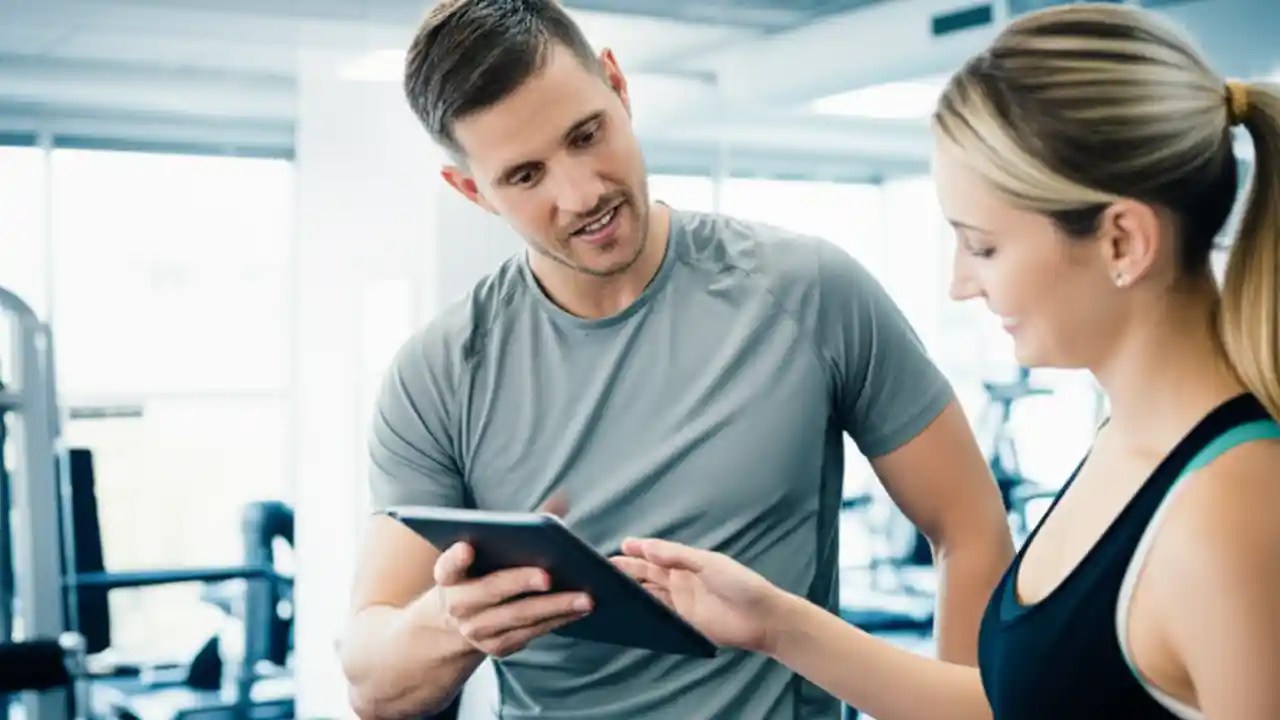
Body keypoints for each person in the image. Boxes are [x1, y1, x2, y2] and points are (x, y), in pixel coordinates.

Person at [337, 0, 1016, 717]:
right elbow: (372, 682)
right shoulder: (438, 375)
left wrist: (963, 707)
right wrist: (450, 620)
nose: (582, 193)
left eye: (586, 134)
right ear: (473, 191)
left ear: (617, 86)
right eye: (525, 177)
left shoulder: (809, 292)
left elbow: (969, 526)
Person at [613, 3, 1280, 719]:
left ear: (1122, 242)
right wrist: (776, 625)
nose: (961, 283)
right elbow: (1018, 703)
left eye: (984, 246)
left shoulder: (1230, 514)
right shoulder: (1127, 443)